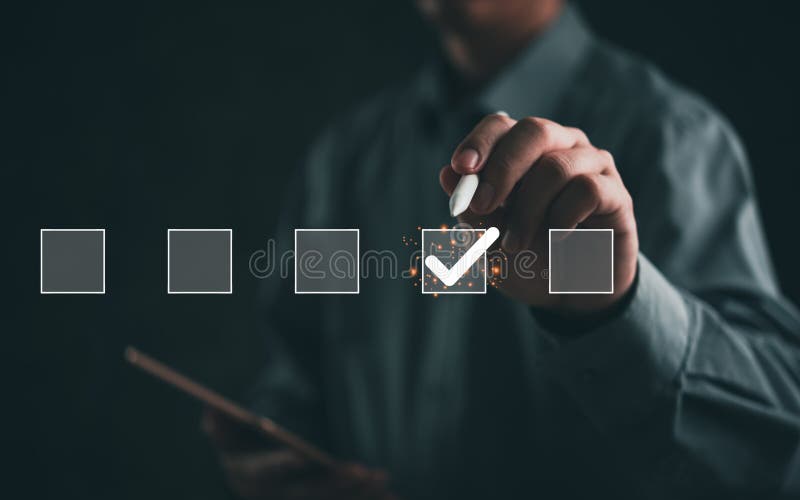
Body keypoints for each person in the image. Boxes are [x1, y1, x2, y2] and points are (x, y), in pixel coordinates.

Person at [203, 0, 800, 498]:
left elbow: (776, 441)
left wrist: (615, 305)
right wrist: (278, 457)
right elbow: (298, 378)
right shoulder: (343, 165)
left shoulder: (672, 137)